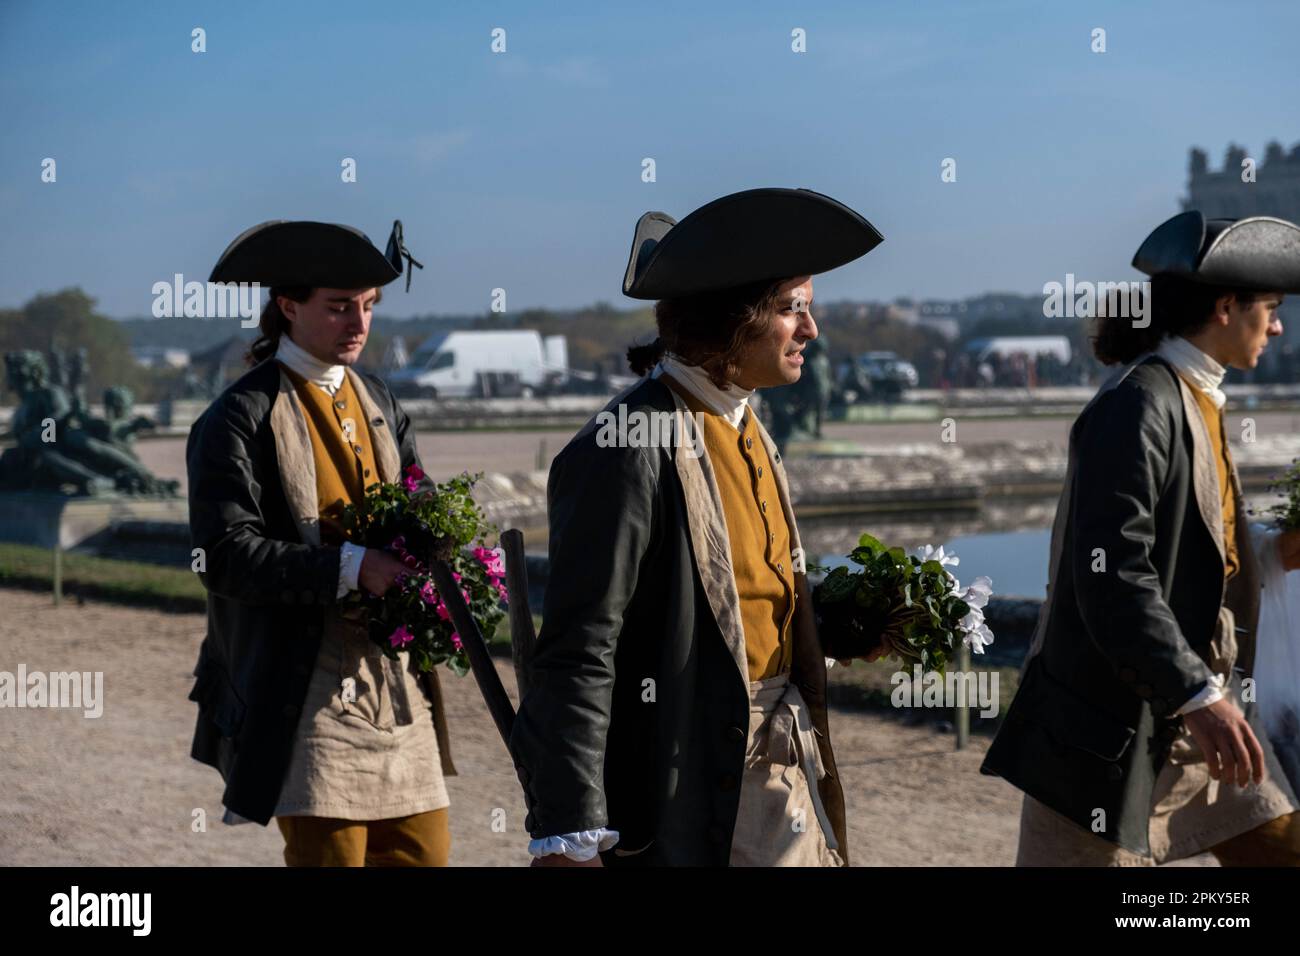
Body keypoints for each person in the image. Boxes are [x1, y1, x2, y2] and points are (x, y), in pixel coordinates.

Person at [508, 187, 884, 866]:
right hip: (690, 786)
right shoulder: (625, 444)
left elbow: (735, 609)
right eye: (792, 308)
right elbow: (579, 650)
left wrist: (833, 625)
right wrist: (567, 829)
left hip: (781, 774)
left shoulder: (748, 426)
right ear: (734, 320)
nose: (812, 331)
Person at [981, 210, 1300, 865]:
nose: (1277, 325)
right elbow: (1114, 574)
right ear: (1224, 306)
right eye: (1268, 308)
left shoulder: (1195, 395)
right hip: (1111, 726)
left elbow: (1201, 549)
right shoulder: (1139, 404)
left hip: (1198, 710)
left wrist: (1278, 550)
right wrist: (1197, 696)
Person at [185, 219, 458, 866]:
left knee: (429, 855)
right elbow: (224, 557)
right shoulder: (236, 418)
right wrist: (354, 566)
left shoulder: (384, 402)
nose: (358, 323)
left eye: (367, 306)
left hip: (397, 684)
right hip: (302, 688)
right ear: (287, 307)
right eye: (338, 307)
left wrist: (449, 549)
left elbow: (419, 502)